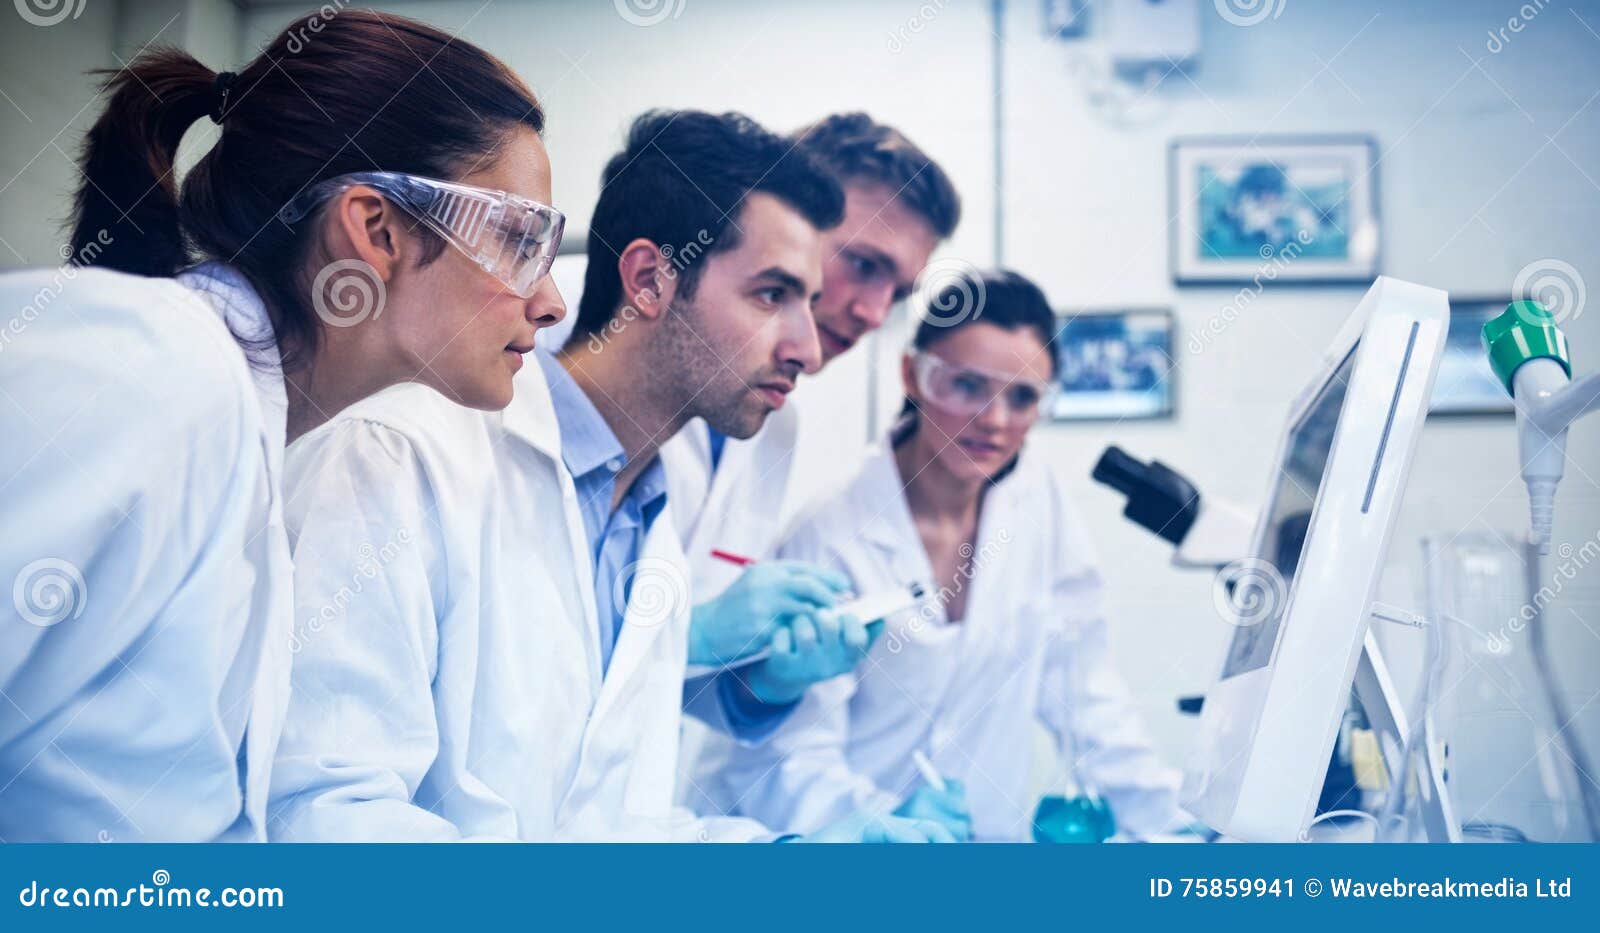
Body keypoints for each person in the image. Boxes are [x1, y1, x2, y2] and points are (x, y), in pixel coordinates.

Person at [269, 110, 953, 843]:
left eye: (808, 303)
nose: (809, 349)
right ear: (650, 279)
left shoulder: (645, 516)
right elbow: (328, 815)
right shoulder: (400, 454)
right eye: (772, 294)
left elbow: (607, 821)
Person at [0, 10, 565, 842]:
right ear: (375, 230)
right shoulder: (156, 370)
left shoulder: (251, 443)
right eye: (522, 240)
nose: (550, 300)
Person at [702, 270, 1186, 842]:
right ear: (914, 375)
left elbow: (1087, 693)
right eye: (967, 386)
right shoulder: (830, 533)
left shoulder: (1039, 504)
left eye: (1023, 397)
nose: (996, 420)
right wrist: (881, 826)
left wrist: (1175, 828)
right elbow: (786, 756)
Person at [670, 113, 959, 803]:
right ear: (791, 212)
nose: (873, 311)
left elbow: (679, 688)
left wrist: (764, 683)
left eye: (899, 291)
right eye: (864, 264)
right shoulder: (549, 355)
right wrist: (690, 633)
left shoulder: (770, 423)